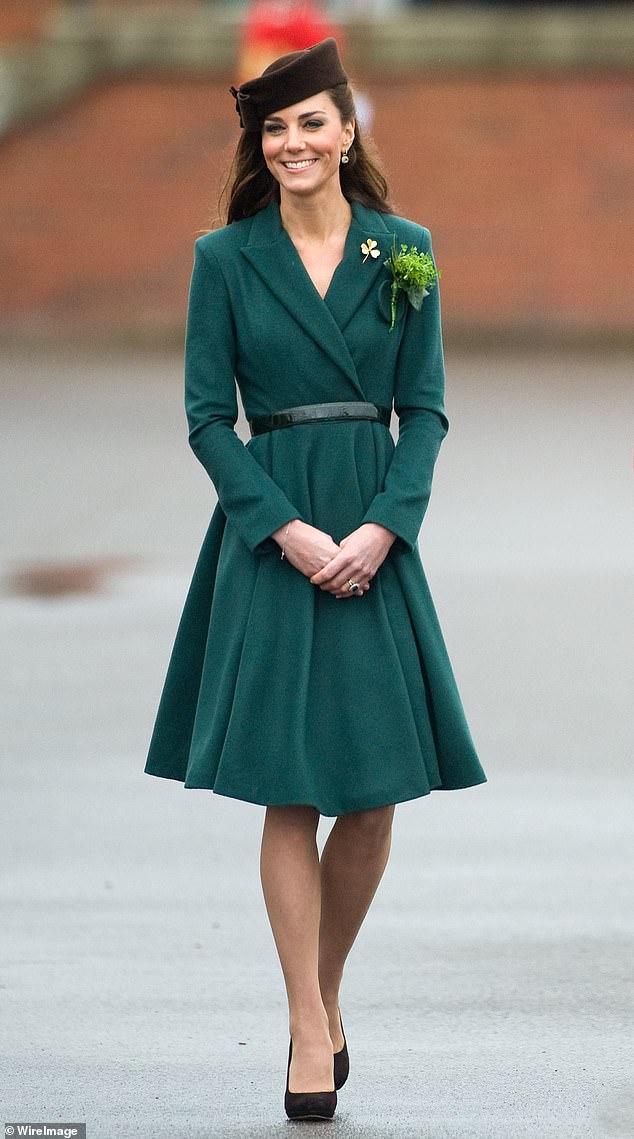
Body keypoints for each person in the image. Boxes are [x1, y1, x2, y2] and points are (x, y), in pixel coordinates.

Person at [144, 37, 487, 1122]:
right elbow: (207, 415)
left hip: (375, 532)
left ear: (347, 131)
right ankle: (305, 1021)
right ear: (263, 143)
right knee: (288, 783)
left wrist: (386, 527)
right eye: (274, 127)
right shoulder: (224, 257)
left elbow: (423, 407)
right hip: (272, 533)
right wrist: (282, 528)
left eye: (310, 123)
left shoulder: (407, 251)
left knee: (376, 791)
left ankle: (325, 991)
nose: (291, 142)